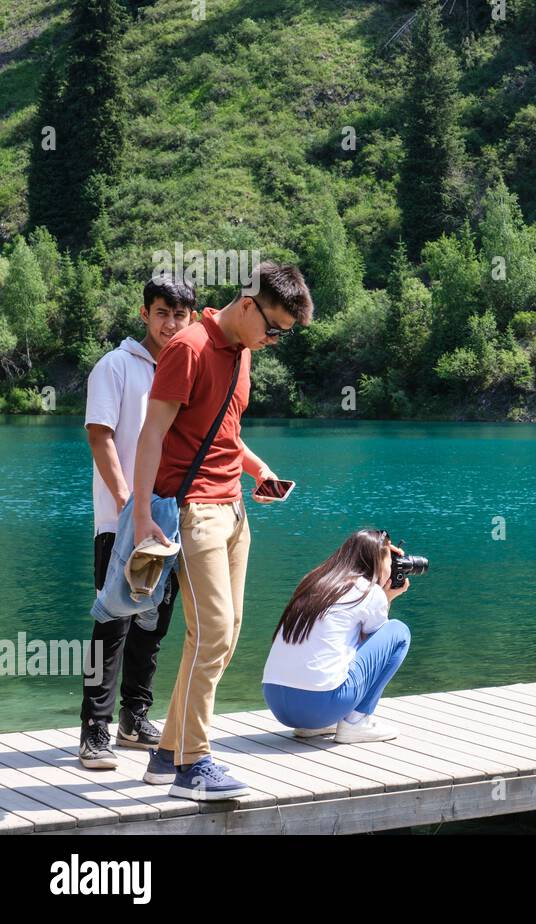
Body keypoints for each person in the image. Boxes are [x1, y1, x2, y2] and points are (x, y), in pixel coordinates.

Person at [132, 262, 314, 800]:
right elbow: (151, 435)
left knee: (221, 637)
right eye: (274, 328)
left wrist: (259, 471)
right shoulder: (188, 348)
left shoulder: (244, 355)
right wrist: (142, 514)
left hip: (234, 511)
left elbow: (224, 434)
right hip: (192, 512)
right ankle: (194, 766)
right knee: (211, 634)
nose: (275, 341)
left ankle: (168, 754)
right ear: (248, 303)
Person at [79, 275, 196, 769]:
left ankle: (133, 719)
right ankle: (93, 731)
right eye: (162, 313)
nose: (171, 324)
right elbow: (100, 435)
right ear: (144, 313)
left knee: (154, 624)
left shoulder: (188, 366)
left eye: (180, 315)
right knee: (111, 624)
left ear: (191, 318)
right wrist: (131, 505)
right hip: (122, 519)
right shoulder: (116, 366)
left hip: (170, 522)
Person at [262, 529, 412, 743]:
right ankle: (356, 722)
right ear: (376, 561)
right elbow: (376, 644)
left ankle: (314, 726)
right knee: (398, 632)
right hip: (321, 705)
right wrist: (386, 599)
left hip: (278, 704)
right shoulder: (368, 590)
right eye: (391, 562)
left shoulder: (314, 582)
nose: (394, 567)